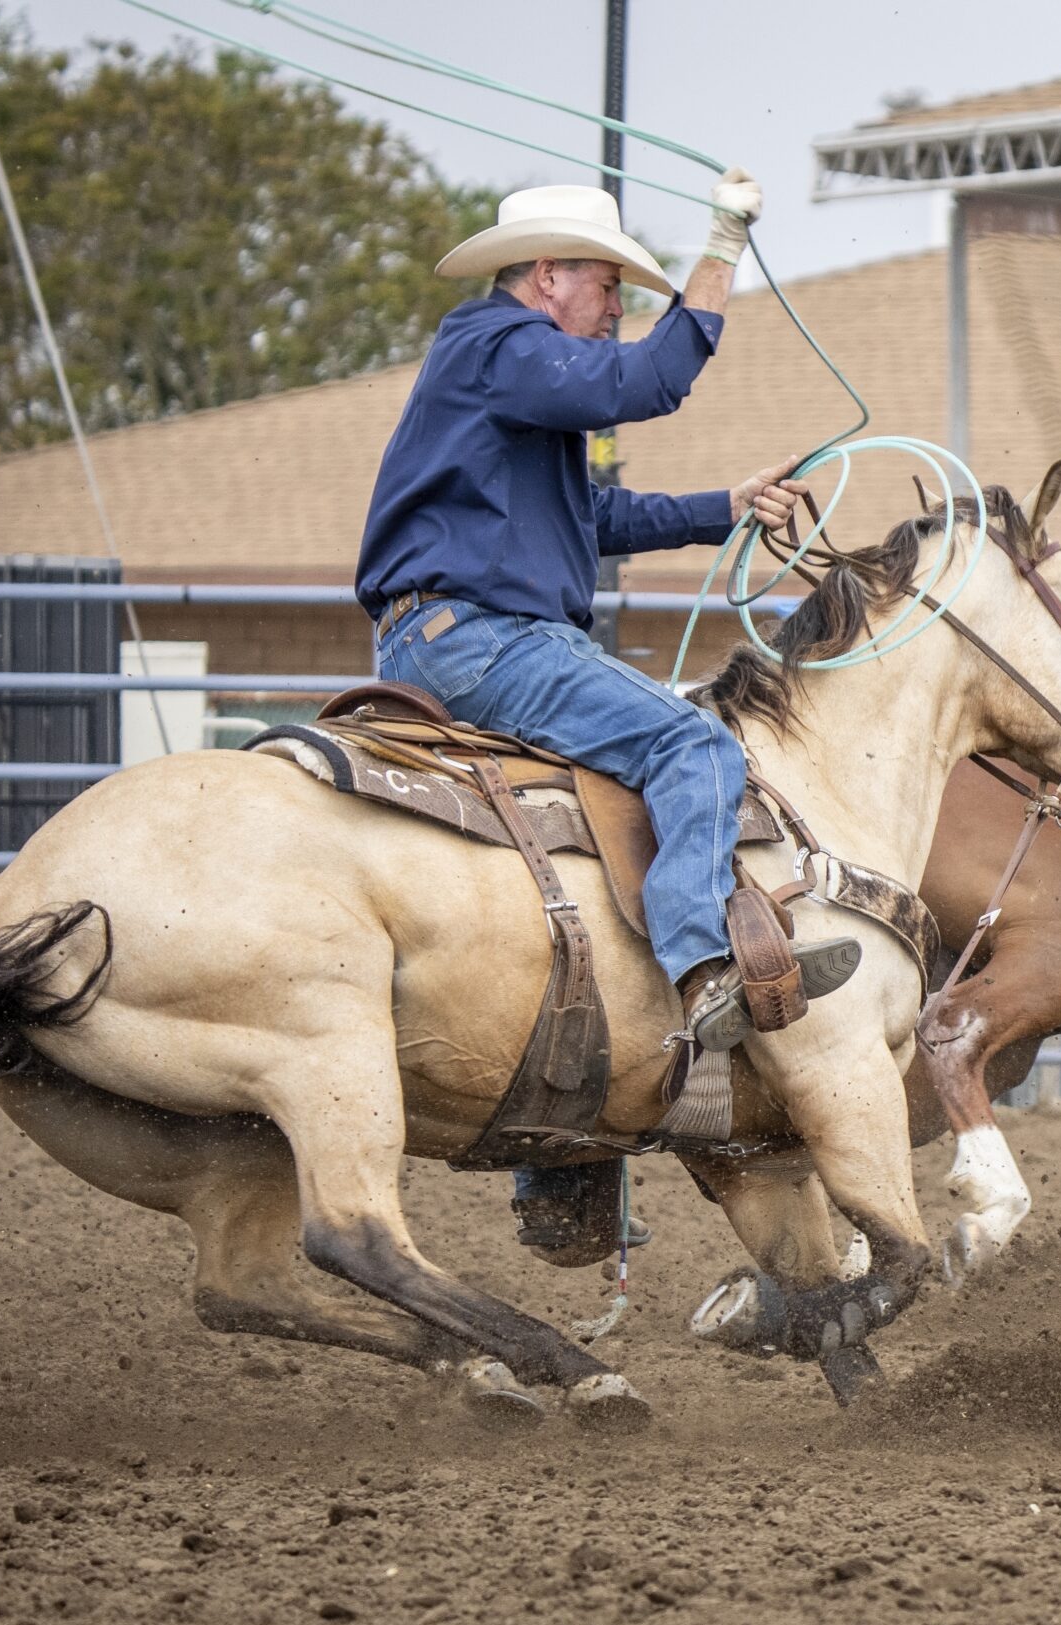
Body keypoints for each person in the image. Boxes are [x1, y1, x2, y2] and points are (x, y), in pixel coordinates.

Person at [356, 175, 859, 1254]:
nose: (617, 310)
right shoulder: (498, 342)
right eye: (608, 287)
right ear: (547, 277)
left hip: (448, 637)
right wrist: (721, 247)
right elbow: (649, 379)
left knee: (577, 845)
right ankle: (704, 974)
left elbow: (591, 514)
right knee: (692, 744)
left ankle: (562, 1155)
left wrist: (724, 508)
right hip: (484, 637)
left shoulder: (499, 371)